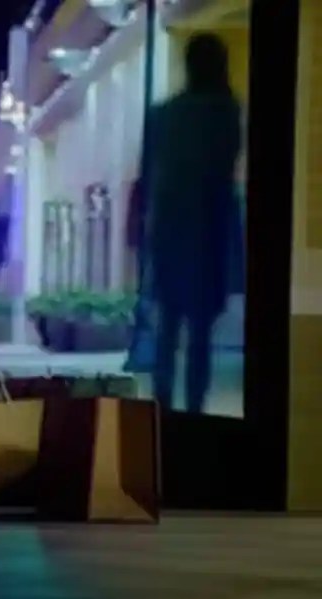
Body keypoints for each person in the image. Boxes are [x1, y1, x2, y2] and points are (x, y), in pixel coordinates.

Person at [144, 33, 242, 414]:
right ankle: (195, 407)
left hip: (170, 227)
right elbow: (225, 170)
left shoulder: (164, 114)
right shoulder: (227, 111)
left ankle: (162, 404)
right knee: (201, 332)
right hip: (210, 227)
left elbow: (151, 174)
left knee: (167, 325)